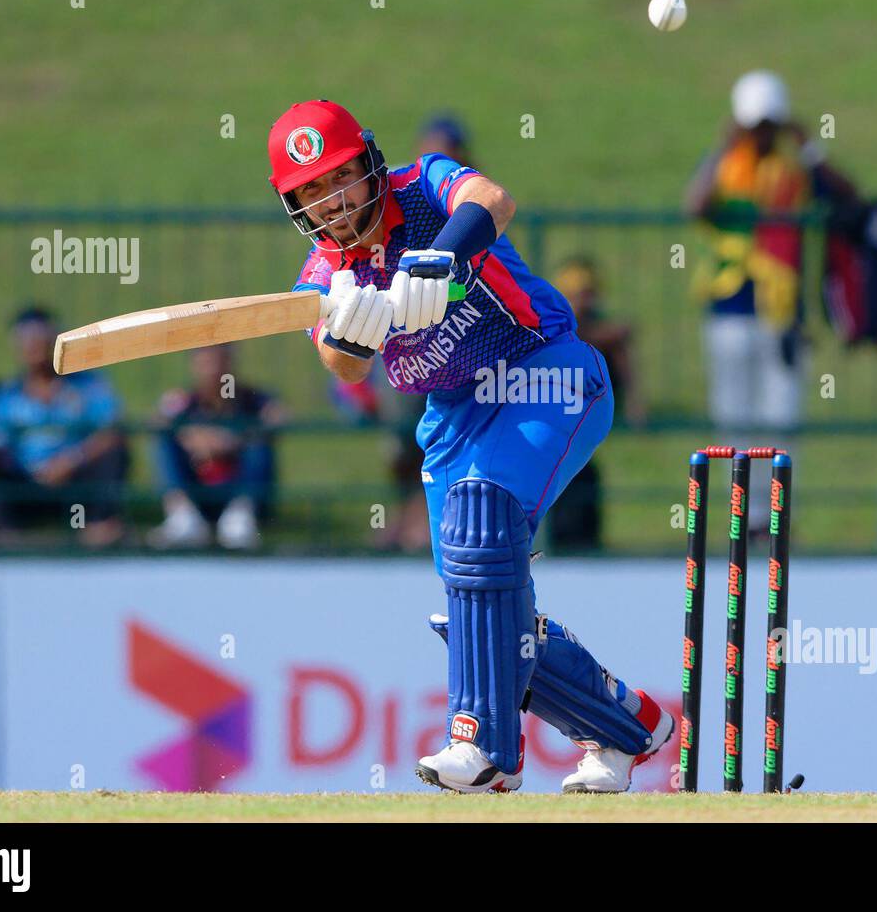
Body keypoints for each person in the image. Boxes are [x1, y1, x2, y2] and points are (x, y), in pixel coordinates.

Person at [269, 99, 672, 793]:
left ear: (367, 165)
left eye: (338, 179)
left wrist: (436, 263)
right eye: (310, 193)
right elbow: (343, 365)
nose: (331, 203)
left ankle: (482, 746)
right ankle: (625, 726)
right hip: (453, 417)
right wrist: (354, 329)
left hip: (545, 370)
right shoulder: (322, 277)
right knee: (478, 605)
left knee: (483, 521)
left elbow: (492, 198)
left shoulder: (422, 185)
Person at [684, 70, 855, 533]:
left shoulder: (796, 167)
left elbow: (847, 196)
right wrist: (723, 147)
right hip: (731, 306)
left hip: (782, 313)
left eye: (768, 126)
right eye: (753, 126)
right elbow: (695, 204)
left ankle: (773, 516)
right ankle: (742, 515)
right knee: (733, 418)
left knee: (781, 419)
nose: (760, 135)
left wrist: (809, 149)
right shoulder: (725, 164)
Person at [0, 307, 129, 547]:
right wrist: (34, 468)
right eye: (27, 340)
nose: (35, 347)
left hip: (75, 480)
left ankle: (99, 524)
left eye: (42, 339)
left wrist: (71, 460)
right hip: (26, 482)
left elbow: (112, 432)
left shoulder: (88, 387)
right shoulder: (6, 395)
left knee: (113, 453)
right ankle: (4, 530)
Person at [545, 256, 646, 551]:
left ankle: (584, 543)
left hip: (578, 428)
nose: (584, 303)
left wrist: (636, 403)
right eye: (577, 296)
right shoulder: (553, 325)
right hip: (553, 429)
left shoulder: (601, 332)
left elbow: (618, 339)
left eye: (587, 295)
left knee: (582, 479)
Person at [148, 344, 283, 551]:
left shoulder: (250, 398)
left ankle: (241, 516)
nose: (213, 371)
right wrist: (193, 438)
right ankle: (182, 515)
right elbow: (158, 421)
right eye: (206, 362)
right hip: (197, 484)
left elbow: (278, 416)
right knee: (165, 441)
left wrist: (230, 440)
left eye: (219, 361)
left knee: (259, 443)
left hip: (236, 485)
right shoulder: (185, 400)